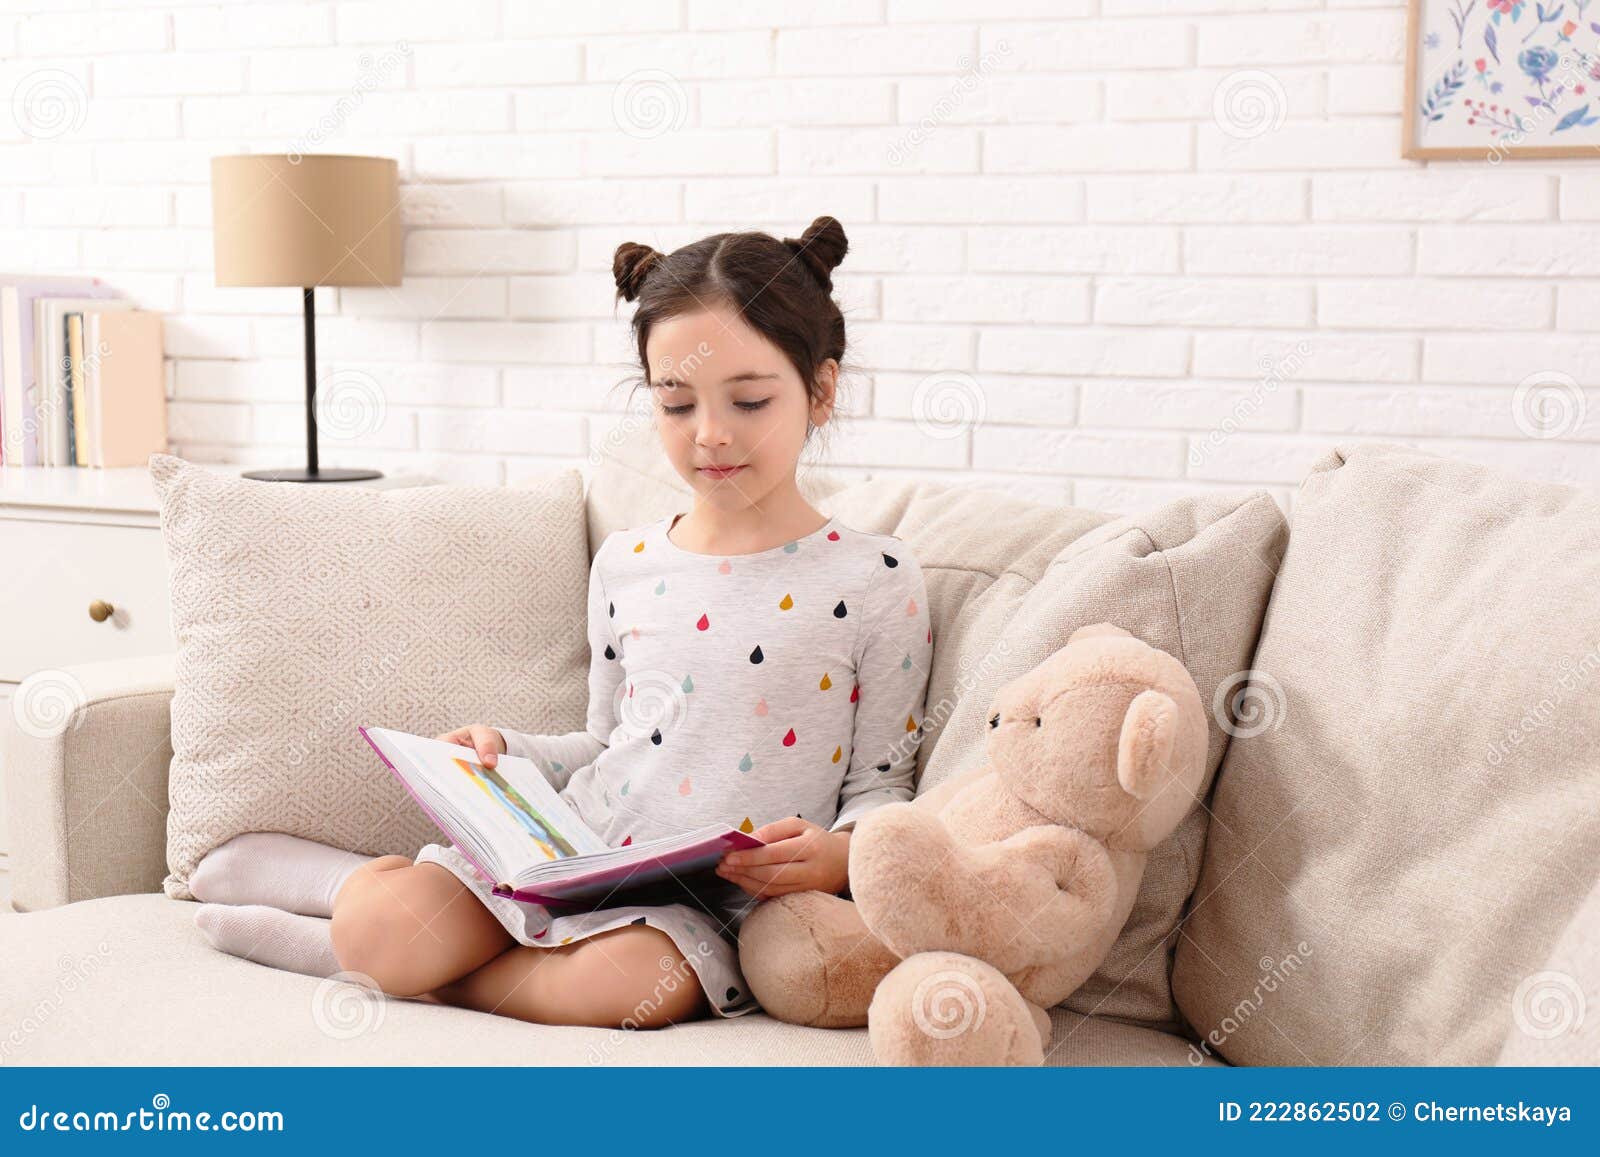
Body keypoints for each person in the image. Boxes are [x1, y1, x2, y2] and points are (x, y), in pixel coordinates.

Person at [189, 215, 934, 1031]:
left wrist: (835, 854)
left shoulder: (876, 578)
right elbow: (605, 741)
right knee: (386, 925)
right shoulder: (627, 561)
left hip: (704, 905)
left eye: (749, 400)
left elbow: (882, 785)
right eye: (676, 402)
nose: (710, 434)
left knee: (616, 988)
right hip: (577, 846)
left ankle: (395, 970)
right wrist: (508, 751)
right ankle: (347, 909)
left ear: (821, 390)